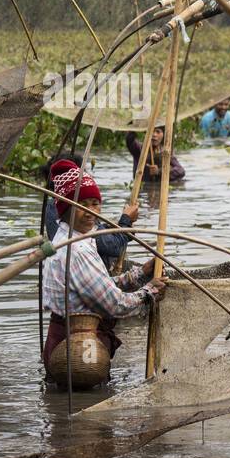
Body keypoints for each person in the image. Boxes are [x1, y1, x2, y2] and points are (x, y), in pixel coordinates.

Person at [40, 159, 167, 383]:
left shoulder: (74, 237)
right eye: (83, 205)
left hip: (64, 343)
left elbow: (99, 286)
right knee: (83, 413)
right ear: (67, 207)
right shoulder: (76, 249)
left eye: (95, 203)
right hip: (77, 350)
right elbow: (113, 303)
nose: (91, 212)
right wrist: (148, 292)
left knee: (61, 412)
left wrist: (139, 274)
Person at [39, 153, 136, 269]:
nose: (89, 211)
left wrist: (114, 228)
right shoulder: (65, 207)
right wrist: (126, 221)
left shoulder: (54, 205)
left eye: (95, 204)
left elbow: (95, 235)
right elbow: (114, 247)